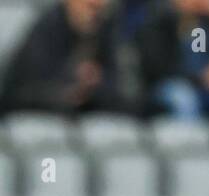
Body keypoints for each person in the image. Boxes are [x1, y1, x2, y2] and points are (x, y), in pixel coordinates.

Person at [0, 0, 132, 115]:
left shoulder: (105, 30)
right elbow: (26, 91)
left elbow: (118, 88)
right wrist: (72, 85)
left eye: (99, 8)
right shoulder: (47, 30)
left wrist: (96, 83)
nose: (95, 14)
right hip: (33, 115)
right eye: (90, 6)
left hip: (83, 117)